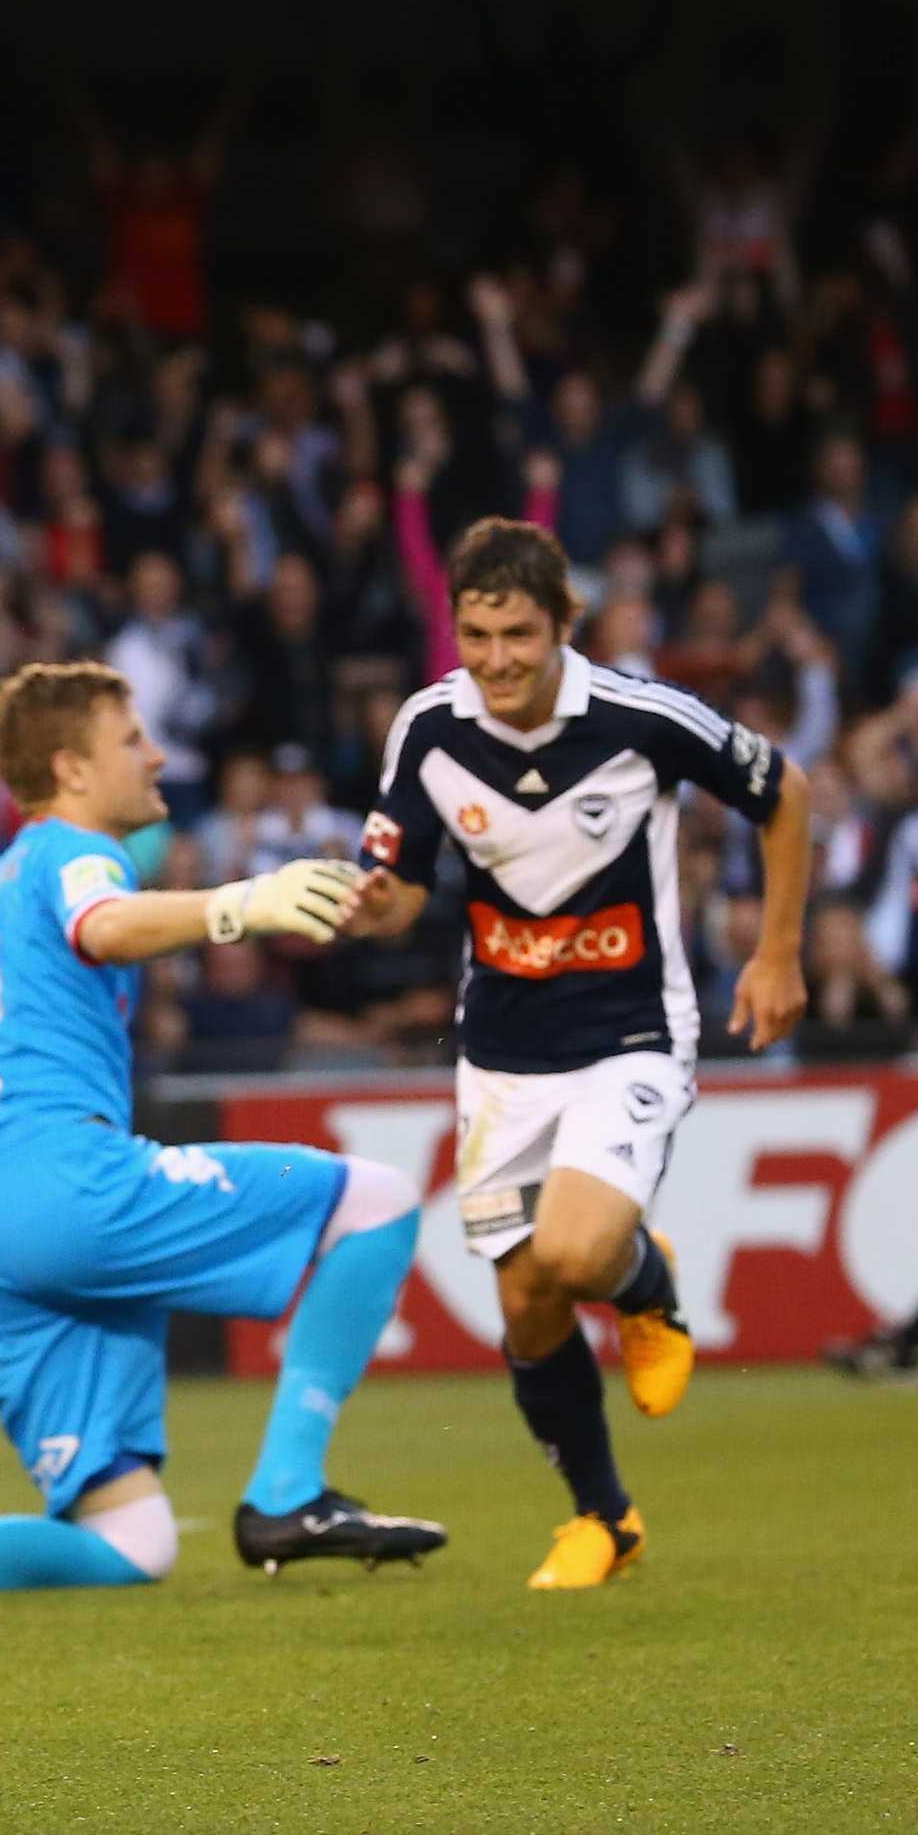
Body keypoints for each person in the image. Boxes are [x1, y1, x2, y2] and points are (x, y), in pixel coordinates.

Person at [0, 662, 444, 1604]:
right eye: (132, 739)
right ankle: (289, 1493)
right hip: (60, 1182)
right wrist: (242, 904)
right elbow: (103, 924)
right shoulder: (70, 853)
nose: (157, 754)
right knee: (379, 1203)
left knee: (133, 1539)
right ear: (72, 769)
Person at [344, 518, 810, 1588]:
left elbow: (784, 793)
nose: (498, 657)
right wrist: (373, 906)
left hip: (629, 1033)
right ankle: (604, 1517)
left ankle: (645, 1279)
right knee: (526, 1300)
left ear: (566, 624)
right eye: (476, 634)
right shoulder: (426, 729)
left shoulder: (639, 716)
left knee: (576, 1248)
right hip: (502, 1052)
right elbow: (404, 885)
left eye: (519, 632)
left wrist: (778, 955)